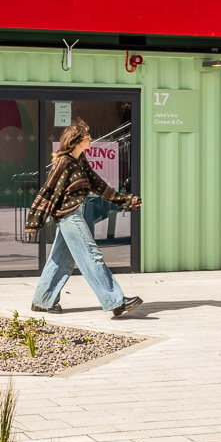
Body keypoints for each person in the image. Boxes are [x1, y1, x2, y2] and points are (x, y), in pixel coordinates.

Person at [26, 120, 143, 317]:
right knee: (91, 255)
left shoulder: (80, 161)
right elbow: (48, 190)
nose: (90, 138)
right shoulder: (63, 162)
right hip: (69, 216)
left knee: (60, 261)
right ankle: (115, 301)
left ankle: (43, 301)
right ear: (76, 140)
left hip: (73, 214)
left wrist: (127, 200)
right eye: (87, 136)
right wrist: (34, 221)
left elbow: (99, 185)